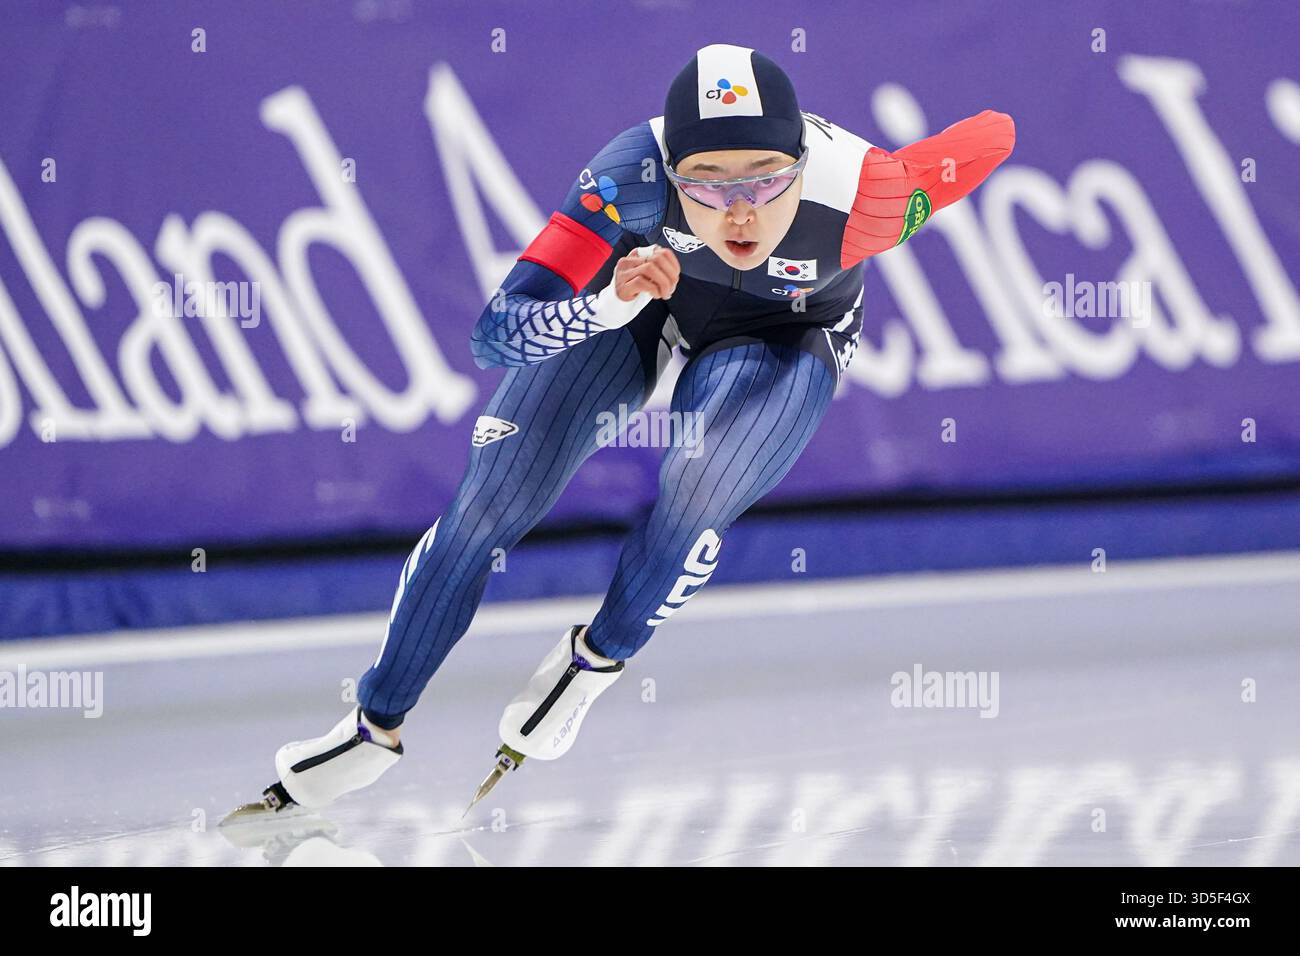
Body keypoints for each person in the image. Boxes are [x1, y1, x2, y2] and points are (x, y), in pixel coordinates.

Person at [224, 43, 1015, 820]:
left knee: (700, 480)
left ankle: (597, 657)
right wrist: (603, 306)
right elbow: (495, 334)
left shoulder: (871, 194)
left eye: (766, 181)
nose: (740, 212)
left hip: (789, 332)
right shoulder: (627, 176)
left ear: (804, 166)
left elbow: (993, 135)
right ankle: (372, 726)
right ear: (671, 172)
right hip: (644, 301)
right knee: (488, 504)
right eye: (706, 186)